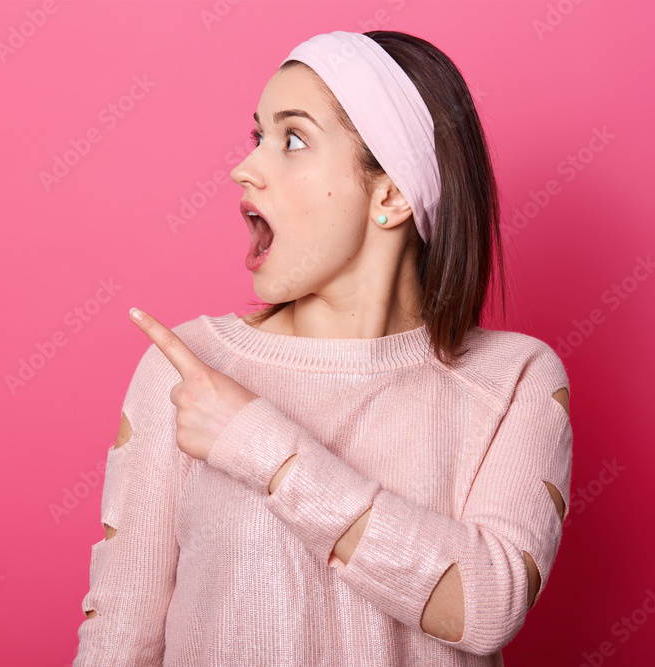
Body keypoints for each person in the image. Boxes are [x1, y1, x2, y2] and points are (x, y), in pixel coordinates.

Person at [74, 30, 572, 666]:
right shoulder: (188, 370)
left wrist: (262, 447)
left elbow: (484, 606)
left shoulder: (514, 380)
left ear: (390, 195)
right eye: (258, 137)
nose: (245, 167)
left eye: (293, 139)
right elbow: (119, 639)